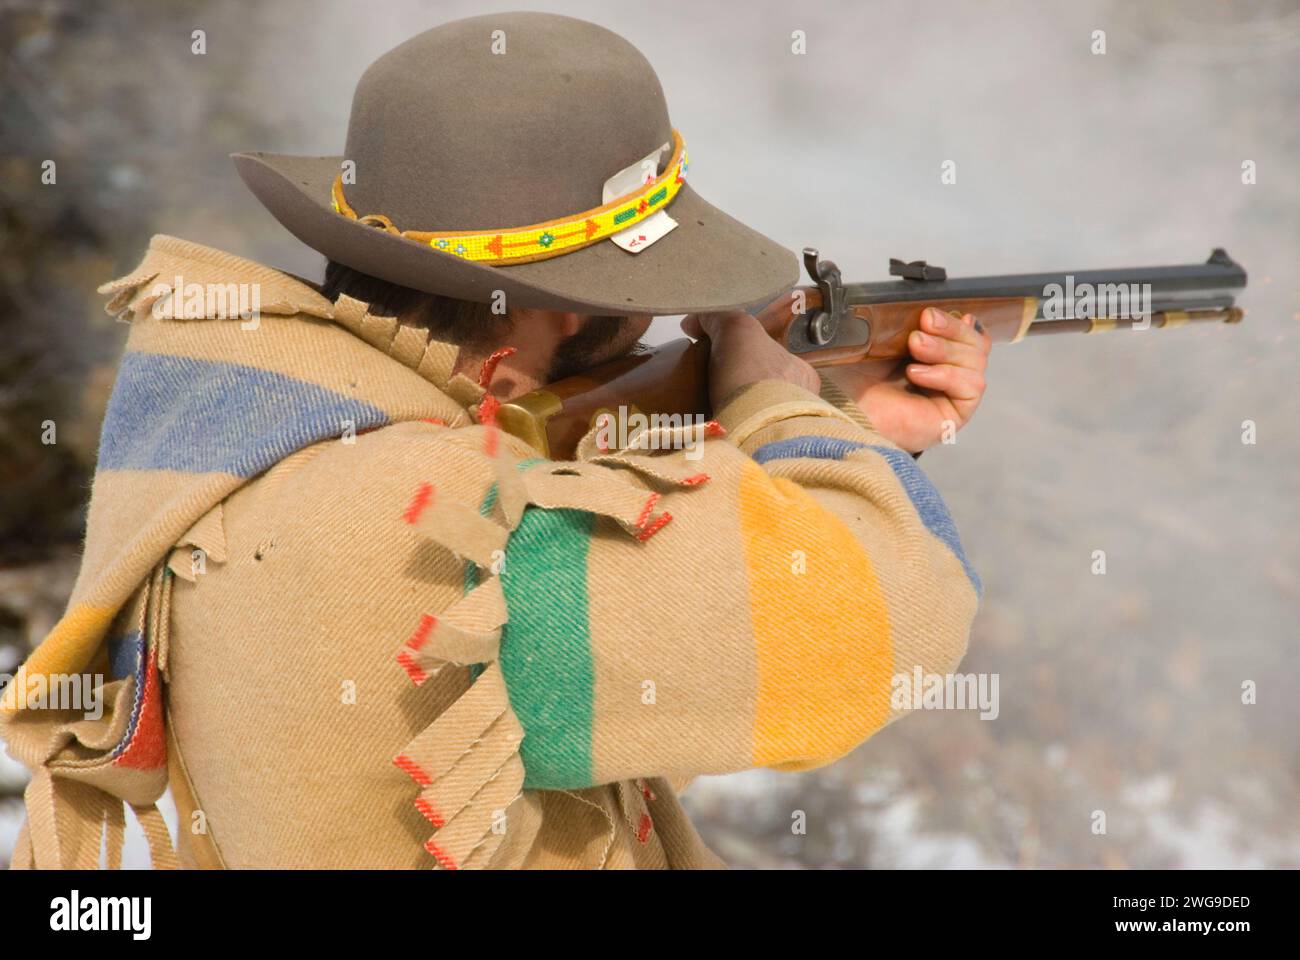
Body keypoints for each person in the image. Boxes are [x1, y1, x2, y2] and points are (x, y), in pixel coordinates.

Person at [0, 11, 988, 869]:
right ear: (549, 320)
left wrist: (854, 436)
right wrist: (785, 413)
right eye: (627, 312)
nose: (647, 330)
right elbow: (879, 629)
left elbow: (650, 688)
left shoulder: (245, 440)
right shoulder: (449, 525)